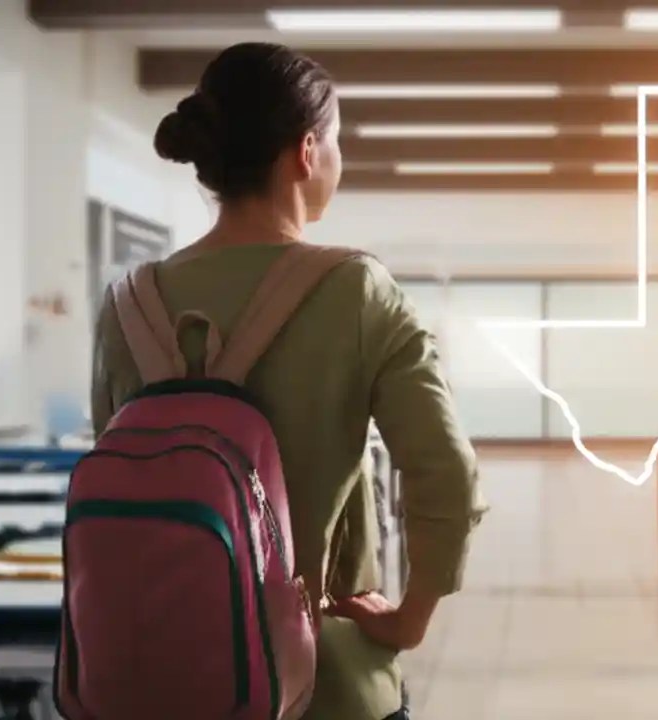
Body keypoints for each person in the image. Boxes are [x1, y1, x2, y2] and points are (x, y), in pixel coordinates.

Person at [90, 42, 486, 720]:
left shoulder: (127, 303)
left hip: (155, 679)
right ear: (306, 151)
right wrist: (409, 619)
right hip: (325, 682)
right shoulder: (357, 290)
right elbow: (446, 470)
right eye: (336, 142)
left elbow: (120, 462)